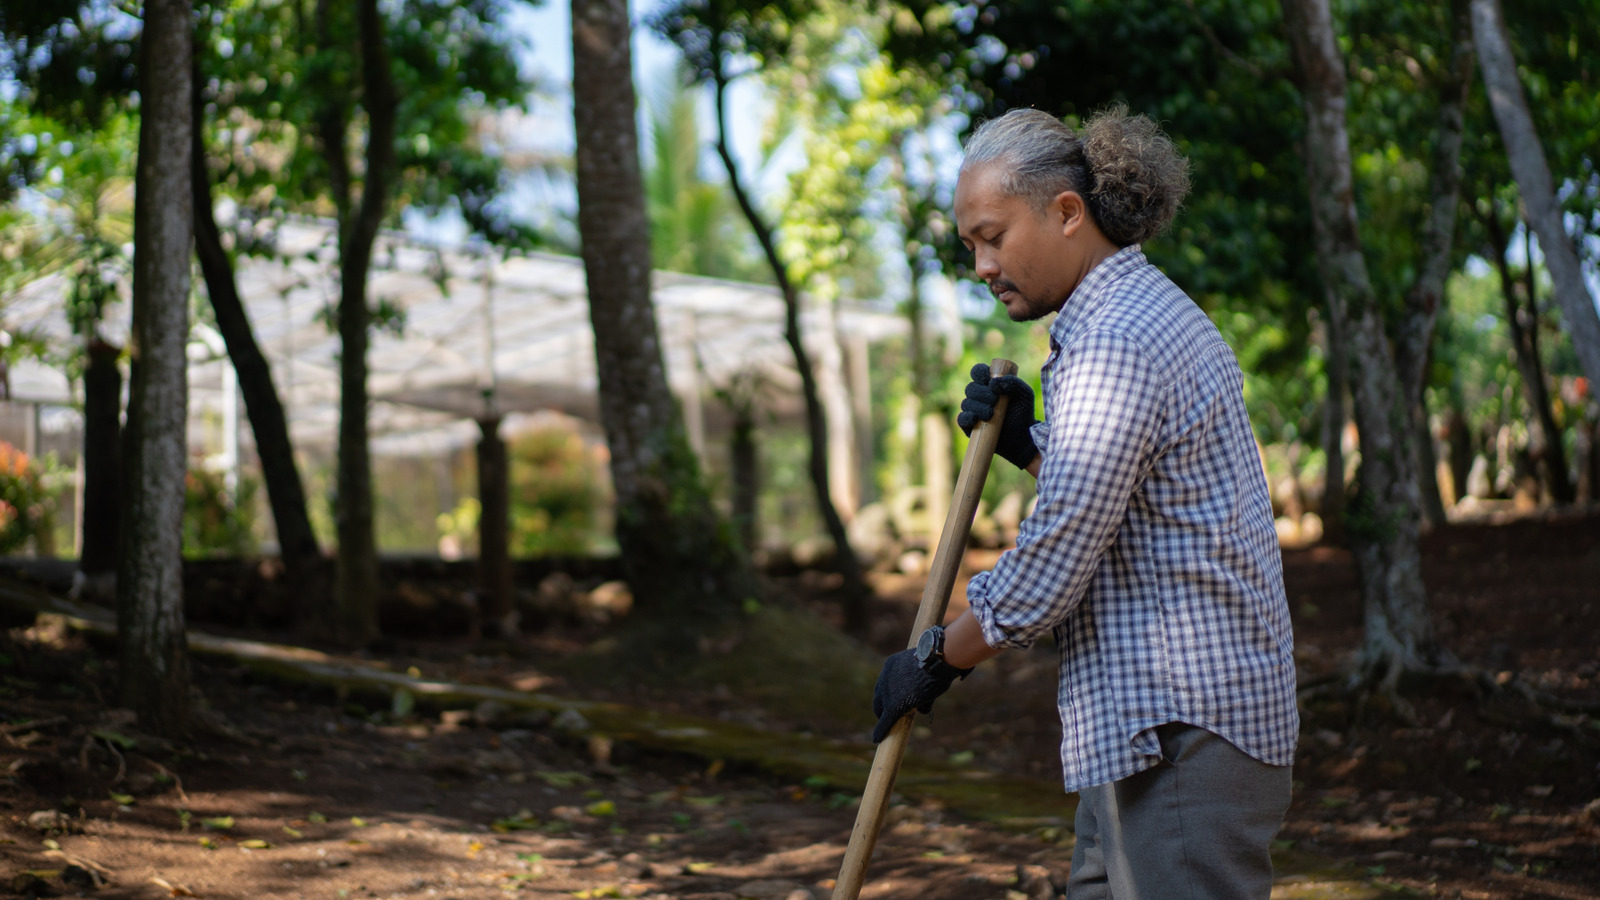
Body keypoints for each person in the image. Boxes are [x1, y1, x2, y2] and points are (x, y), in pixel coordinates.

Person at [869, 106, 1299, 899]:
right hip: (1140, 730)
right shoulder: (1125, 318)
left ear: (1066, 212)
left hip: (1182, 733)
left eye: (992, 237)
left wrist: (937, 657)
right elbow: (1135, 508)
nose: (981, 266)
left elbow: (1057, 558)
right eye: (970, 245)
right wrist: (1031, 445)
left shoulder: (1117, 340)